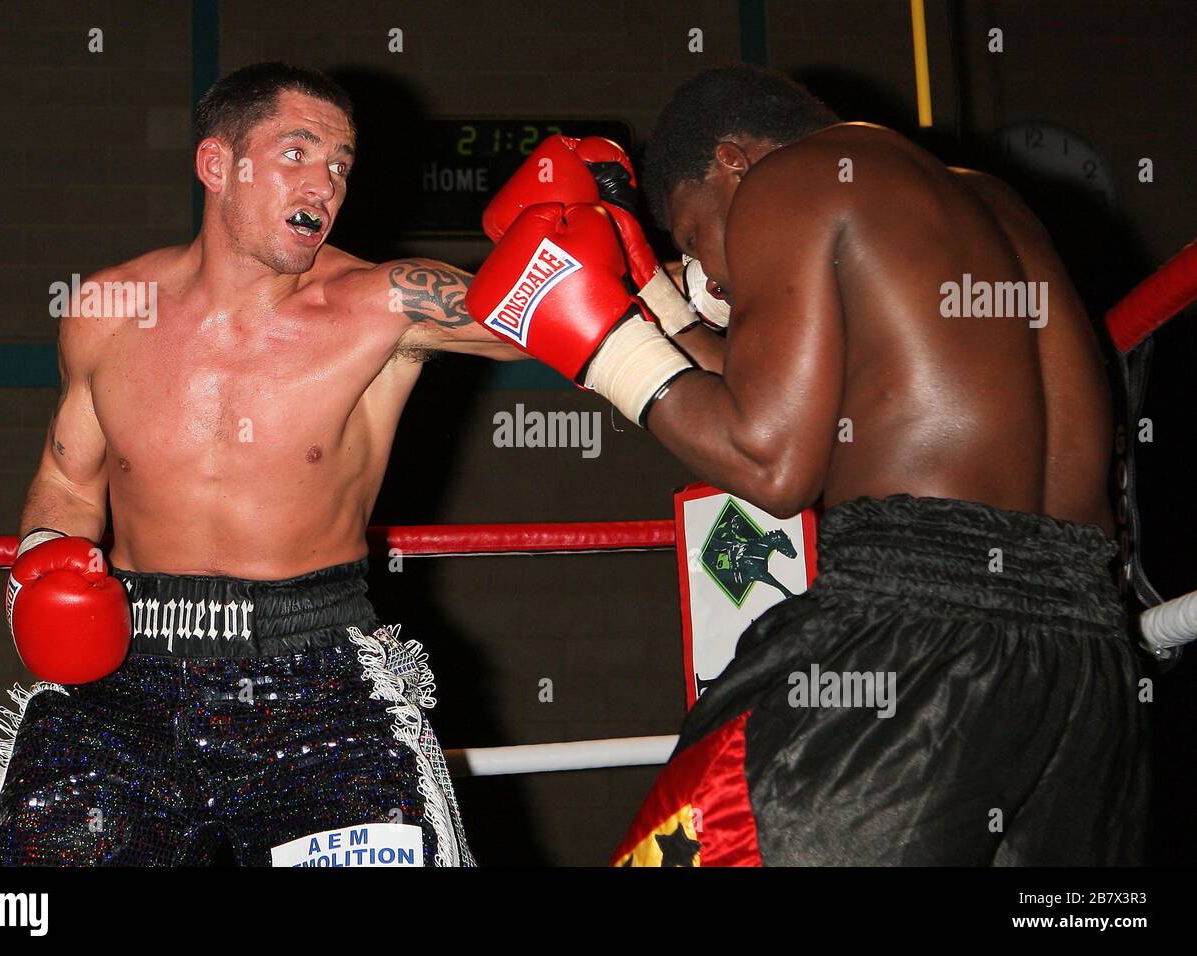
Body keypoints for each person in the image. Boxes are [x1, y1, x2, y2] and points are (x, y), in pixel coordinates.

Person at [468, 65, 1147, 865]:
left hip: (914, 643)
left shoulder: (789, 179)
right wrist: (648, 294)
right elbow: (805, 402)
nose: (711, 276)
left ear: (734, 163)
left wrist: (599, 346)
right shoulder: (988, 200)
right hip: (1086, 664)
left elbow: (771, 462)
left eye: (691, 238)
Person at [0, 62, 521, 867]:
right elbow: (66, 481)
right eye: (298, 153)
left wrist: (654, 270)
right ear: (216, 165)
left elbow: (557, 323)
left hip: (319, 693)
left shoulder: (388, 303)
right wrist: (38, 565)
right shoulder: (108, 309)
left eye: (340, 165)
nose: (326, 183)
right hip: (123, 677)